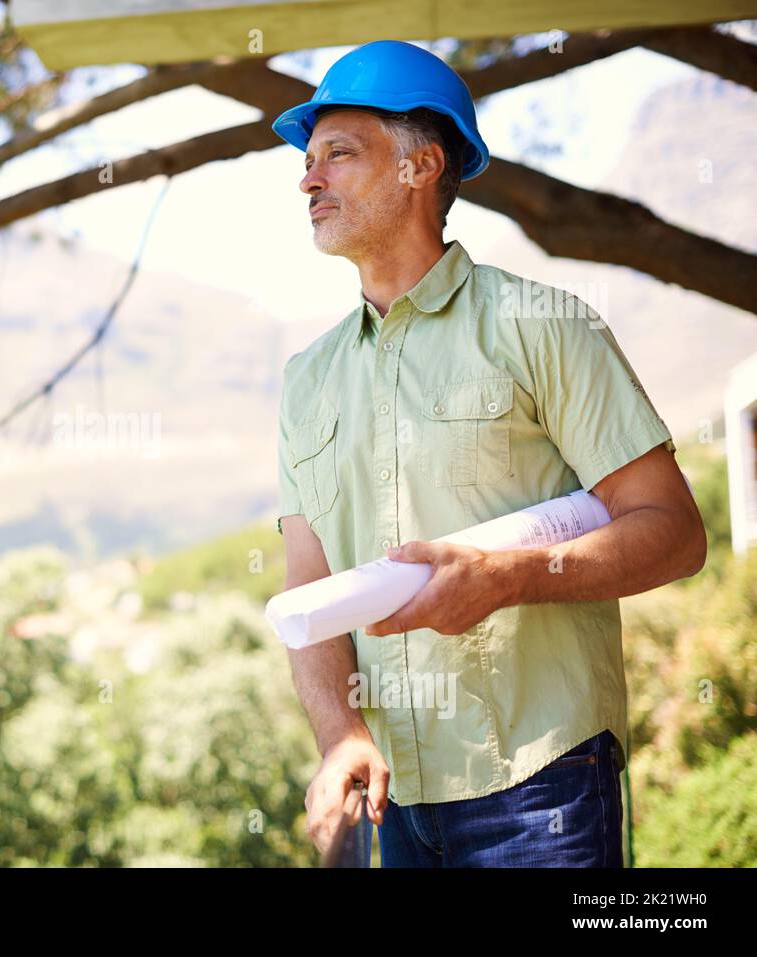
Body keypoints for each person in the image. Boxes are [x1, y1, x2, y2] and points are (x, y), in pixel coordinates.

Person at [270, 40, 707, 867]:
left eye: (338, 154)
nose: (308, 179)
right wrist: (339, 734)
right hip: (395, 801)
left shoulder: (544, 327)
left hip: (544, 783)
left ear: (421, 166)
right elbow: (307, 592)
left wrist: (507, 577)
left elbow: (676, 532)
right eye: (307, 160)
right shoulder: (306, 381)